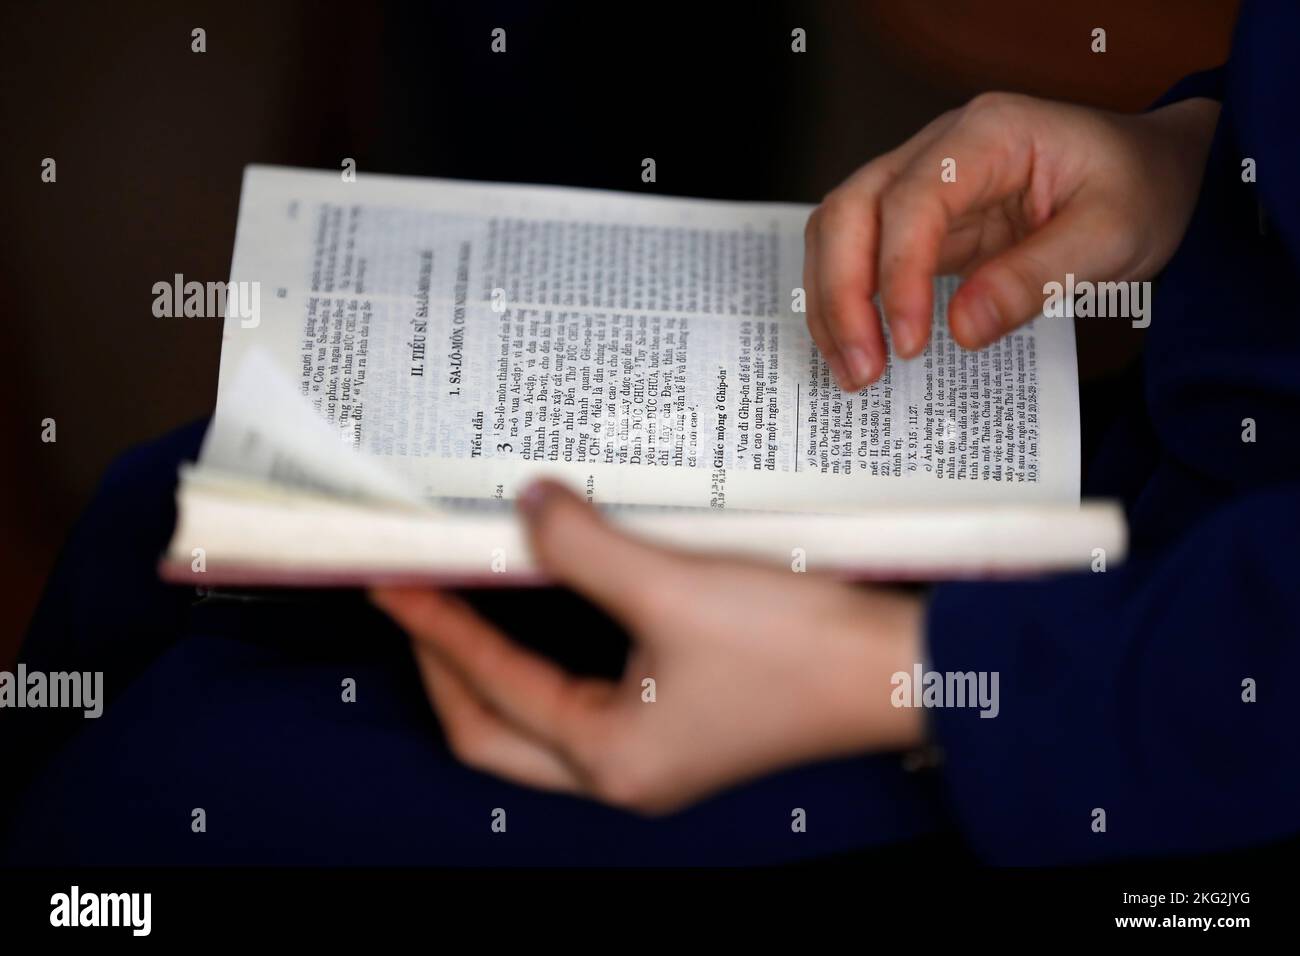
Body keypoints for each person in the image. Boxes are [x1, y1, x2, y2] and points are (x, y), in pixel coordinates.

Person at [3, 0, 1296, 866]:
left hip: (1145, 731)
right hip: (1196, 433)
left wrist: (900, 673)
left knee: (160, 803)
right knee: (169, 512)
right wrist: (1200, 152)